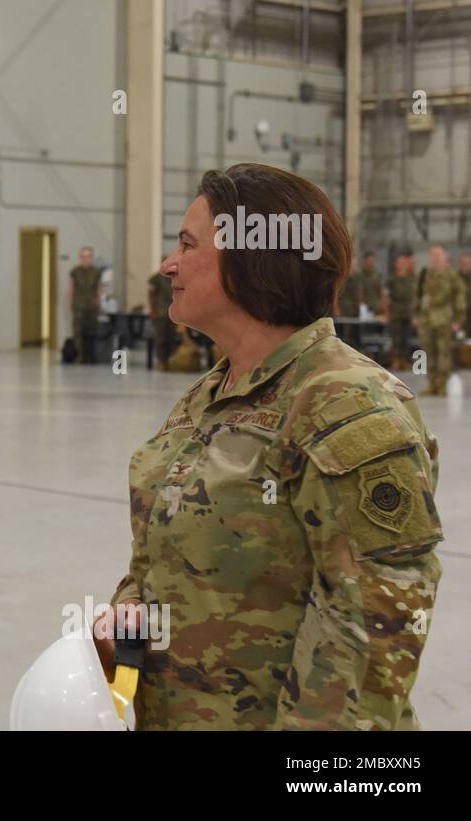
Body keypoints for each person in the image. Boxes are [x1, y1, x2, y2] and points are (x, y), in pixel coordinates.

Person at [95, 163, 442, 730]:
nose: (167, 264)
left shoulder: (344, 403)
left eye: (187, 243)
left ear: (252, 259)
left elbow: (375, 621)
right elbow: (161, 557)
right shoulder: (207, 396)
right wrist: (128, 620)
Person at [414, 245, 466, 396]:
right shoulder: (424, 274)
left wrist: (458, 319)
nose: (435, 259)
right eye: (433, 256)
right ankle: (432, 382)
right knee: (428, 352)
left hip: (444, 319)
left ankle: (442, 383)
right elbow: (417, 295)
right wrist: (416, 315)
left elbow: (459, 298)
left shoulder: (452, 275)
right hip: (426, 319)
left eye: (438, 256)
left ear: (444, 257)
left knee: (444, 352)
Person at [384, 248, 417, 370]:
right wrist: (387, 313)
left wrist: (415, 315)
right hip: (396, 313)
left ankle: (405, 360)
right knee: (396, 339)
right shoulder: (392, 279)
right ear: (396, 264)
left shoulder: (411, 278)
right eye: (400, 262)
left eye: (404, 263)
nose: (403, 265)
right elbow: (386, 297)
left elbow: (415, 297)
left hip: (408, 313)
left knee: (406, 339)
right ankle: (396, 361)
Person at [68, 246, 101, 364]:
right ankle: (79, 356)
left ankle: (90, 356)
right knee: (78, 332)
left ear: (92, 258)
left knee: (92, 332)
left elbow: (98, 288)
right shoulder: (75, 272)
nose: (86, 259)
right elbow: (71, 288)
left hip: (92, 306)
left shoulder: (96, 272)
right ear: (80, 258)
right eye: (83, 256)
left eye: (88, 256)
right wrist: (71, 303)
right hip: (79, 306)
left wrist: (98, 303)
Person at [146, 256, 174, 370]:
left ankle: (170, 360)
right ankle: (161, 361)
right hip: (161, 312)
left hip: (173, 313)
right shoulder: (156, 278)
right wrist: (153, 311)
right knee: (161, 338)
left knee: (171, 338)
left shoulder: (174, 277)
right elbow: (151, 295)